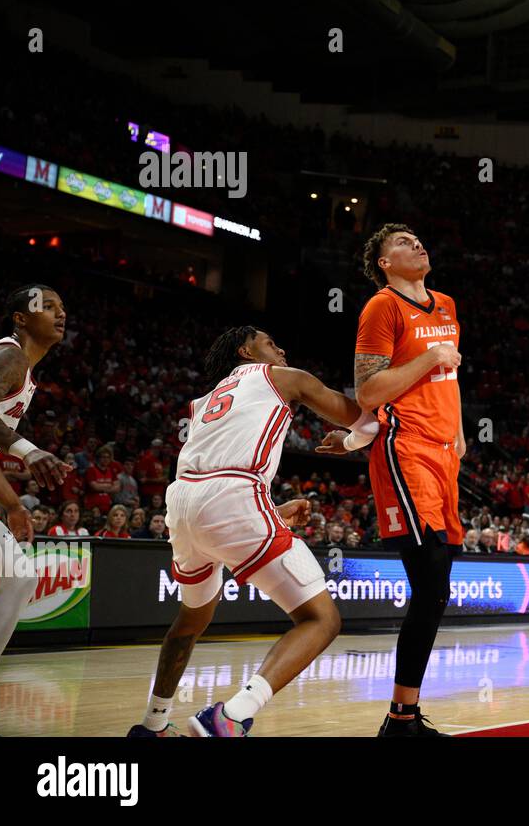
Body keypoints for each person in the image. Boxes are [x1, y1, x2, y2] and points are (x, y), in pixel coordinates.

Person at [127, 326, 371, 738]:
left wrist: (269, 512)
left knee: (189, 620)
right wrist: (354, 440)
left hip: (183, 500)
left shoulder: (203, 403)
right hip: (235, 495)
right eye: (270, 342)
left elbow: (212, 474)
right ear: (246, 350)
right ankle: (232, 714)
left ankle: (152, 726)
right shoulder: (285, 377)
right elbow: (361, 415)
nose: (281, 347)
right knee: (321, 619)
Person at [347, 224, 466, 737]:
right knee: (432, 580)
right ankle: (401, 718)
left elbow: (450, 377)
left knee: (437, 586)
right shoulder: (381, 307)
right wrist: (429, 358)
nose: (416, 243)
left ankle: (404, 716)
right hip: (406, 449)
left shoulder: (447, 304)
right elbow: (369, 390)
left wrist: (460, 434)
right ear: (383, 263)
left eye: (419, 238)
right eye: (401, 242)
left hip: (445, 455)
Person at [0, 284, 70, 737]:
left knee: (18, 575)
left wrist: (13, 503)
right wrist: (27, 450)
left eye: (64, 309)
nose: (60, 314)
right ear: (20, 317)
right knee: (16, 575)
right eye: (48, 305)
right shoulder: (8, 356)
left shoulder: (24, 372)